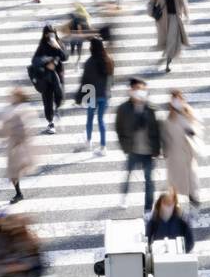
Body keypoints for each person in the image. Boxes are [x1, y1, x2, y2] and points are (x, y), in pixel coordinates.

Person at [116, 78, 161, 215]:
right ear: (130, 91)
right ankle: (124, 195)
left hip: (148, 152)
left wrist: (157, 150)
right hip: (133, 150)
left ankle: (148, 209)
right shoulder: (124, 108)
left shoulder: (151, 108)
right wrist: (125, 147)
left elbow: (157, 131)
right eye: (136, 89)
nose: (139, 92)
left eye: (141, 89)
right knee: (128, 174)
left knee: (149, 181)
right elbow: (119, 128)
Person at [161, 90, 202, 207]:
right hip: (174, 154)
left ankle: (193, 196)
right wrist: (165, 151)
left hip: (188, 151)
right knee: (175, 179)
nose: (178, 101)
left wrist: (192, 132)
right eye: (175, 99)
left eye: (179, 98)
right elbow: (165, 136)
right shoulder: (169, 118)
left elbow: (197, 127)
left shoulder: (189, 112)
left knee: (191, 175)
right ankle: (174, 199)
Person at [0, 87, 40, 204]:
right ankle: (18, 192)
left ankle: (18, 192)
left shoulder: (20, 110)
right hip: (19, 143)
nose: (10, 97)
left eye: (13, 95)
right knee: (14, 170)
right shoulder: (18, 109)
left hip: (19, 144)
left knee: (15, 170)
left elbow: (24, 127)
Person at [148, 0, 189, 72]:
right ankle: (167, 52)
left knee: (172, 39)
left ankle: (168, 62)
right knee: (165, 39)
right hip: (162, 19)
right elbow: (151, 0)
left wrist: (186, 13)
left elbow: (183, 1)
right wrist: (150, 10)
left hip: (175, 17)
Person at [29, 24, 68, 134]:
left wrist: (57, 47)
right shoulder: (42, 45)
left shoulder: (58, 43)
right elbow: (35, 61)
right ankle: (51, 122)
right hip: (45, 77)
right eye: (49, 34)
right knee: (47, 101)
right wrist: (48, 61)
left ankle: (57, 110)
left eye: (53, 33)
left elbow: (65, 57)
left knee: (59, 96)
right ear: (45, 34)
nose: (51, 36)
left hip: (58, 76)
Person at [78, 36, 113, 155]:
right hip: (104, 94)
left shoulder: (89, 62)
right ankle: (103, 147)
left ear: (92, 48)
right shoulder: (108, 60)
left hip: (91, 93)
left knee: (90, 119)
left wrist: (80, 96)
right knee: (101, 120)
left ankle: (88, 141)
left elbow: (84, 81)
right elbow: (111, 80)